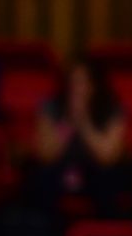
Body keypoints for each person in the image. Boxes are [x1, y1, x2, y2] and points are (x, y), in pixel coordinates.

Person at [32, 57, 126, 218]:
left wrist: (84, 122)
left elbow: (106, 157)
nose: (76, 89)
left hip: (94, 173)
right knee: (40, 175)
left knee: (108, 177)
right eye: (73, 83)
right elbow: (46, 155)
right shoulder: (51, 107)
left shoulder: (111, 109)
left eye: (82, 83)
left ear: (94, 87)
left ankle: (103, 235)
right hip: (60, 170)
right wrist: (68, 122)